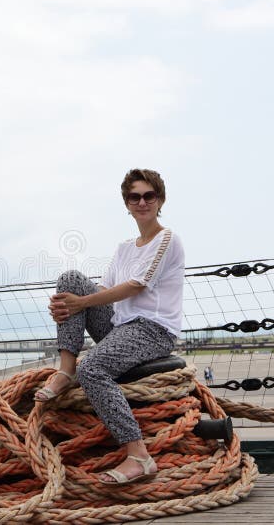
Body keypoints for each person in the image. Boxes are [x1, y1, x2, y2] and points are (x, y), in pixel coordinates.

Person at [35, 168, 185, 485]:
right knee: (71, 281)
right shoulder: (124, 248)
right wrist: (67, 305)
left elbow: (136, 286)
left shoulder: (167, 239)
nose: (142, 202)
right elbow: (103, 291)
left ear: (160, 200)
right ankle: (65, 370)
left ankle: (139, 456)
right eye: (135, 197)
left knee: (93, 369)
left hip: (153, 330)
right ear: (127, 203)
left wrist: (81, 304)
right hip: (121, 326)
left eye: (149, 196)